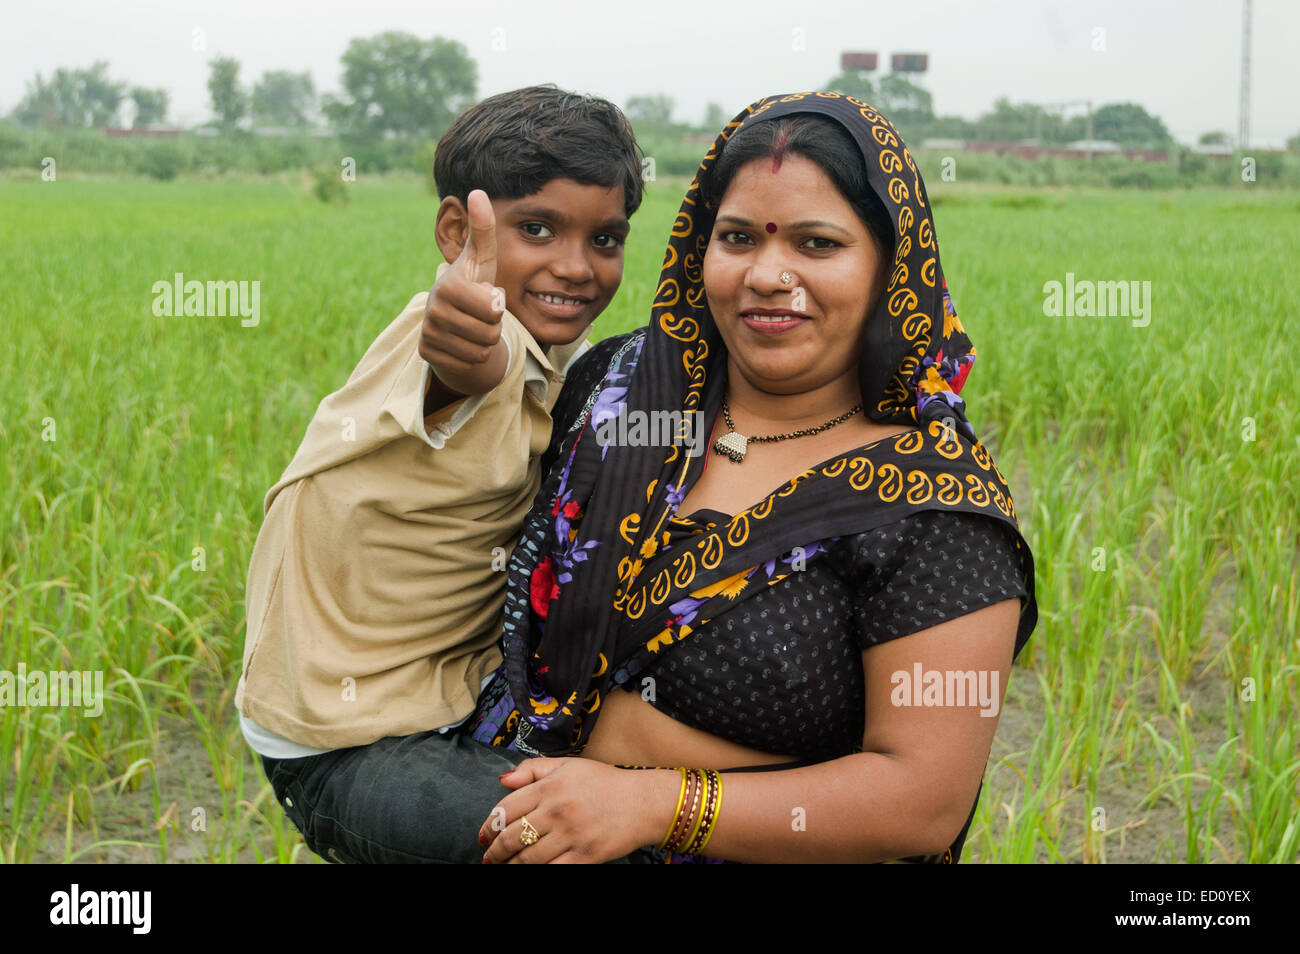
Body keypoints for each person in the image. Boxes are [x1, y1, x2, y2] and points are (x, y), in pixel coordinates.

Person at [465, 91, 1040, 863]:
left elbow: (923, 799)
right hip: (508, 810)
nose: (769, 274)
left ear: (888, 268)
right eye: (737, 237)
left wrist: (653, 801)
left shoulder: (934, 506)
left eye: (818, 244)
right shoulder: (621, 388)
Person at [233, 86, 644, 861]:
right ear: (458, 232)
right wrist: (465, 343)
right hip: (345, 743)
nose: (576, 266)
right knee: (580, 849)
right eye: (537, 229)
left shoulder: (570, 361)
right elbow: (463, 366)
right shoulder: (467, 340)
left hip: (457, 695)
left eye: (606, 238)